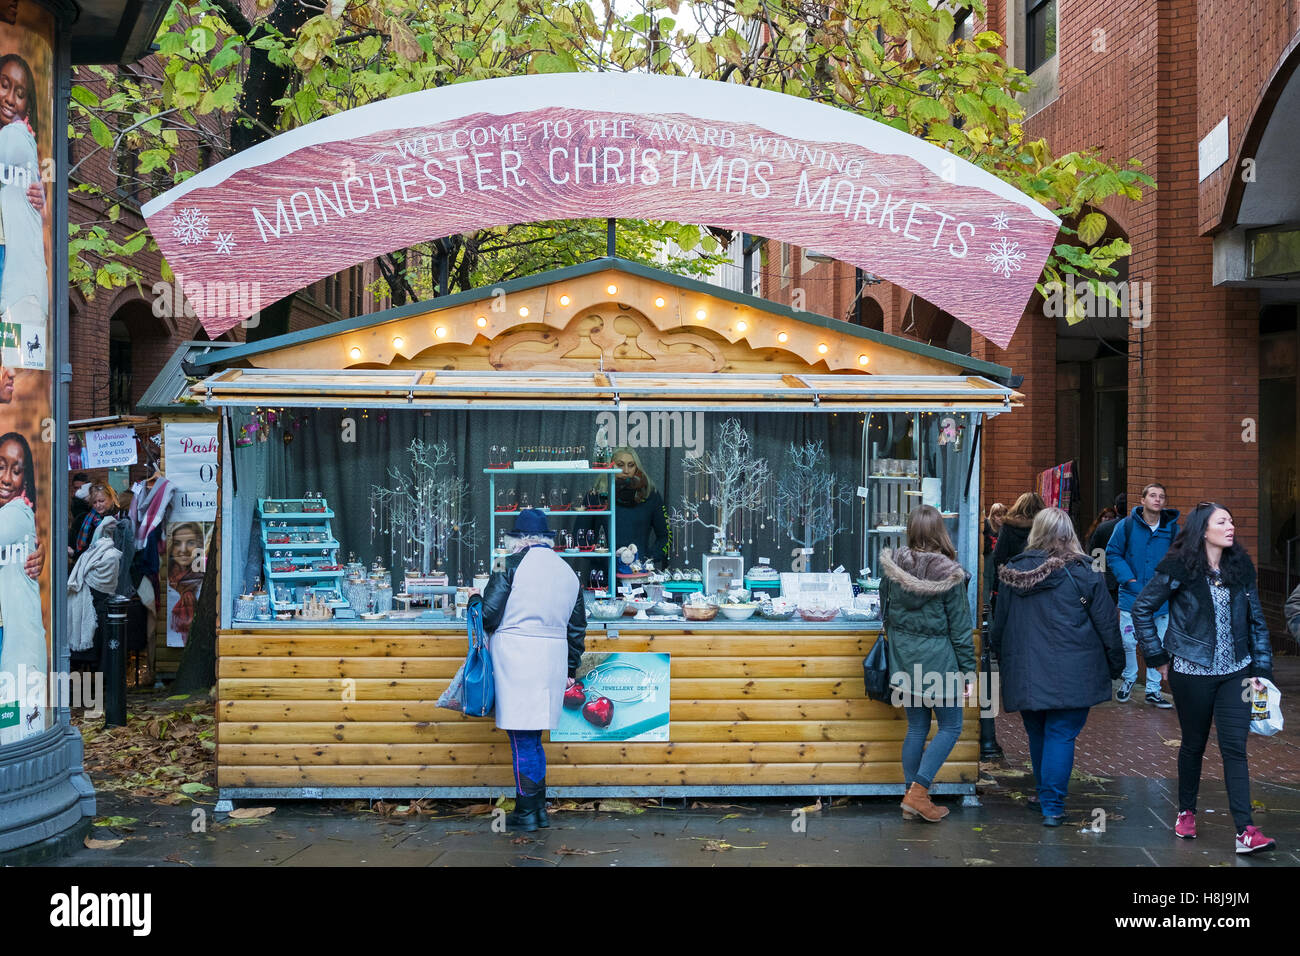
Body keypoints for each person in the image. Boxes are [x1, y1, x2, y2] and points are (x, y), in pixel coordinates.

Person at [1132, 503, 1277, 854]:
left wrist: (1260, 670)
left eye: (1232, 520)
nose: (1231, 526)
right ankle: (1186, 810)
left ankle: (1245, 831)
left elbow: (1257, 621)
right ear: (1203, 530)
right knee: (1194, 745)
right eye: (1222, 521)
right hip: (1190, 672)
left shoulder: (1240, 567)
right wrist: (1157, 658)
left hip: (1238, 673)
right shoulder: (1179, 568)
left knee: (1235, 749)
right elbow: (1142, 608)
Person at [992, 507, 1123, 826]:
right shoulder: (1086, 570)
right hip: (1074, 671)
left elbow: (1000, 627)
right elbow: (1107, 624)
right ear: (1070, 534)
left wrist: (1004, 659)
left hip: (1025, 670)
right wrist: (1116, 664)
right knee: (1061, 735)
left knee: (1038, 733)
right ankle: (1052, 805)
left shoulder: (1013, 572)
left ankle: (1044, 794)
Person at [478, 509, 586, 831]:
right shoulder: (569, 571)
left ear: (520, 539)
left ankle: (526, 813)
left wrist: (473, 600)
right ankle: (536, 811)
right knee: (533, 738)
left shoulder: (505, 564)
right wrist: (569, 668)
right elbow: (577, 629)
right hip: (552, 660)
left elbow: (488, 615)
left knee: (523, 740)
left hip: (517, 658)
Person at [879, 505, 974, 823]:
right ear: (939, 533)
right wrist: (969, 673)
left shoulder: (893, 569)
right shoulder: (951, 573)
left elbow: (886, 613)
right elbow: (961, 630)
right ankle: (918, 794)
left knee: (917, 727)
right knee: (951, 726)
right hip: (940, 663)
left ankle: (911, 797)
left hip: (904, 659)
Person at [1106, 483, 1179, 708]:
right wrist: (1129, 579)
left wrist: (1171, 583)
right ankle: (1129, 678)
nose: (1157, 500)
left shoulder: (1173, 529)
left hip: (1162, 600)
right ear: (1143, 500)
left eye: (1162, 497)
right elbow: (1113, 553)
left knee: (1159, 644)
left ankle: (1153, 689)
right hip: (1132, 595)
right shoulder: (1126, 526)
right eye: (1153, 496)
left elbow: (1181, 558)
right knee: (1129, 640)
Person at [0, 432, 44, 743]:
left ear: (25, 480)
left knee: (17, 735)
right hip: (11, 641)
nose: (6, 478)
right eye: (1, 466)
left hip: (18, 646)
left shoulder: (15, 513)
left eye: (16, 470)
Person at [0, 53, 49, 325]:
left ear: (28, 105)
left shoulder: (13, 135)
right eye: (4, 84)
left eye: (20, 93)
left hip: (17, 286)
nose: (10, 99)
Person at [610, 447, 670, 568]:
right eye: (620, 465)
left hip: (639, 572)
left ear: (637, 467)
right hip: (604, 575)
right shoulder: (598, 496)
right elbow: (580, 537)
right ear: (611, 466)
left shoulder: (650, 495)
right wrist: (604, 559)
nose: (626, 470)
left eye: (631, 465)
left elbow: (665, 535)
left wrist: (648, 559)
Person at [990, 492, 1044, 613]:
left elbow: (998, 557)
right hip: (1037, 582)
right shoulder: (1043, 528)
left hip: (1011, 582)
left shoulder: (1008, 526)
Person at [166, 522, 205, 647]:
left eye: (190, 542)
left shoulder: (206, 577)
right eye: (177, 543)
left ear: (199, 545)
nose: (183, 550)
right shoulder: (168, 580)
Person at [1087, 493, 1126, 604]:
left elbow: (1095, 553)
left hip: (1109, 580)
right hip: (1131, 580)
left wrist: (1098, 574)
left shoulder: (1103, 527)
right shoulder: (1135, 527)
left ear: (1116, 508)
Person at [69, 482, 116, 568]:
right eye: (94, 502)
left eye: (101, 501)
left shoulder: (117, 520)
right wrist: (73, 552)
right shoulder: (83, 519)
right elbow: (73, 544)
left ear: (111, 499)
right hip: (84, 567)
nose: (98, 505)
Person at [982, 502, 1006, 615]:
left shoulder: (1005, 529)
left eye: (1003, 515)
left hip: (998, 566)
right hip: (988, 563)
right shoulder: (986, 525)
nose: (1001, 518)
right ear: (992, 515)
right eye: (998, 515)